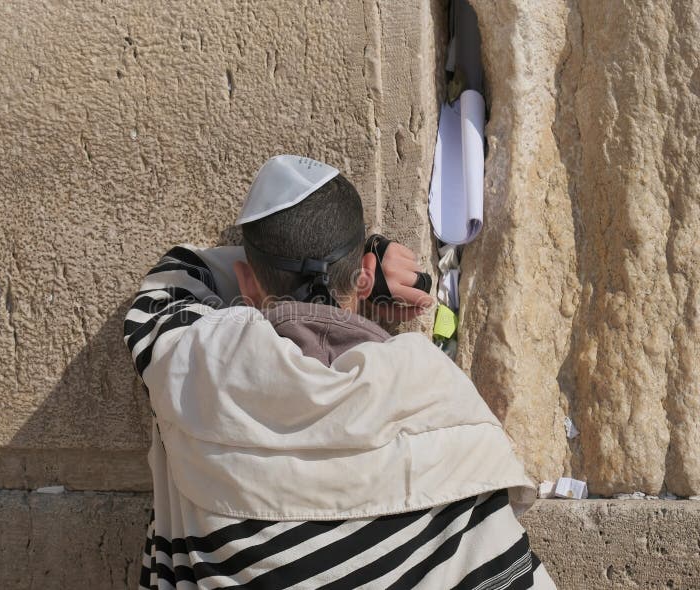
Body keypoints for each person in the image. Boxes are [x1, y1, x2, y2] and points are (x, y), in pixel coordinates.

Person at [124, 155, 555, 589]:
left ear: (246, 281)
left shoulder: (196, 367)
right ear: (364, 275)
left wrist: (281, 269)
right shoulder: (431, 392)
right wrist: (350, 272)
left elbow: (171, 282)